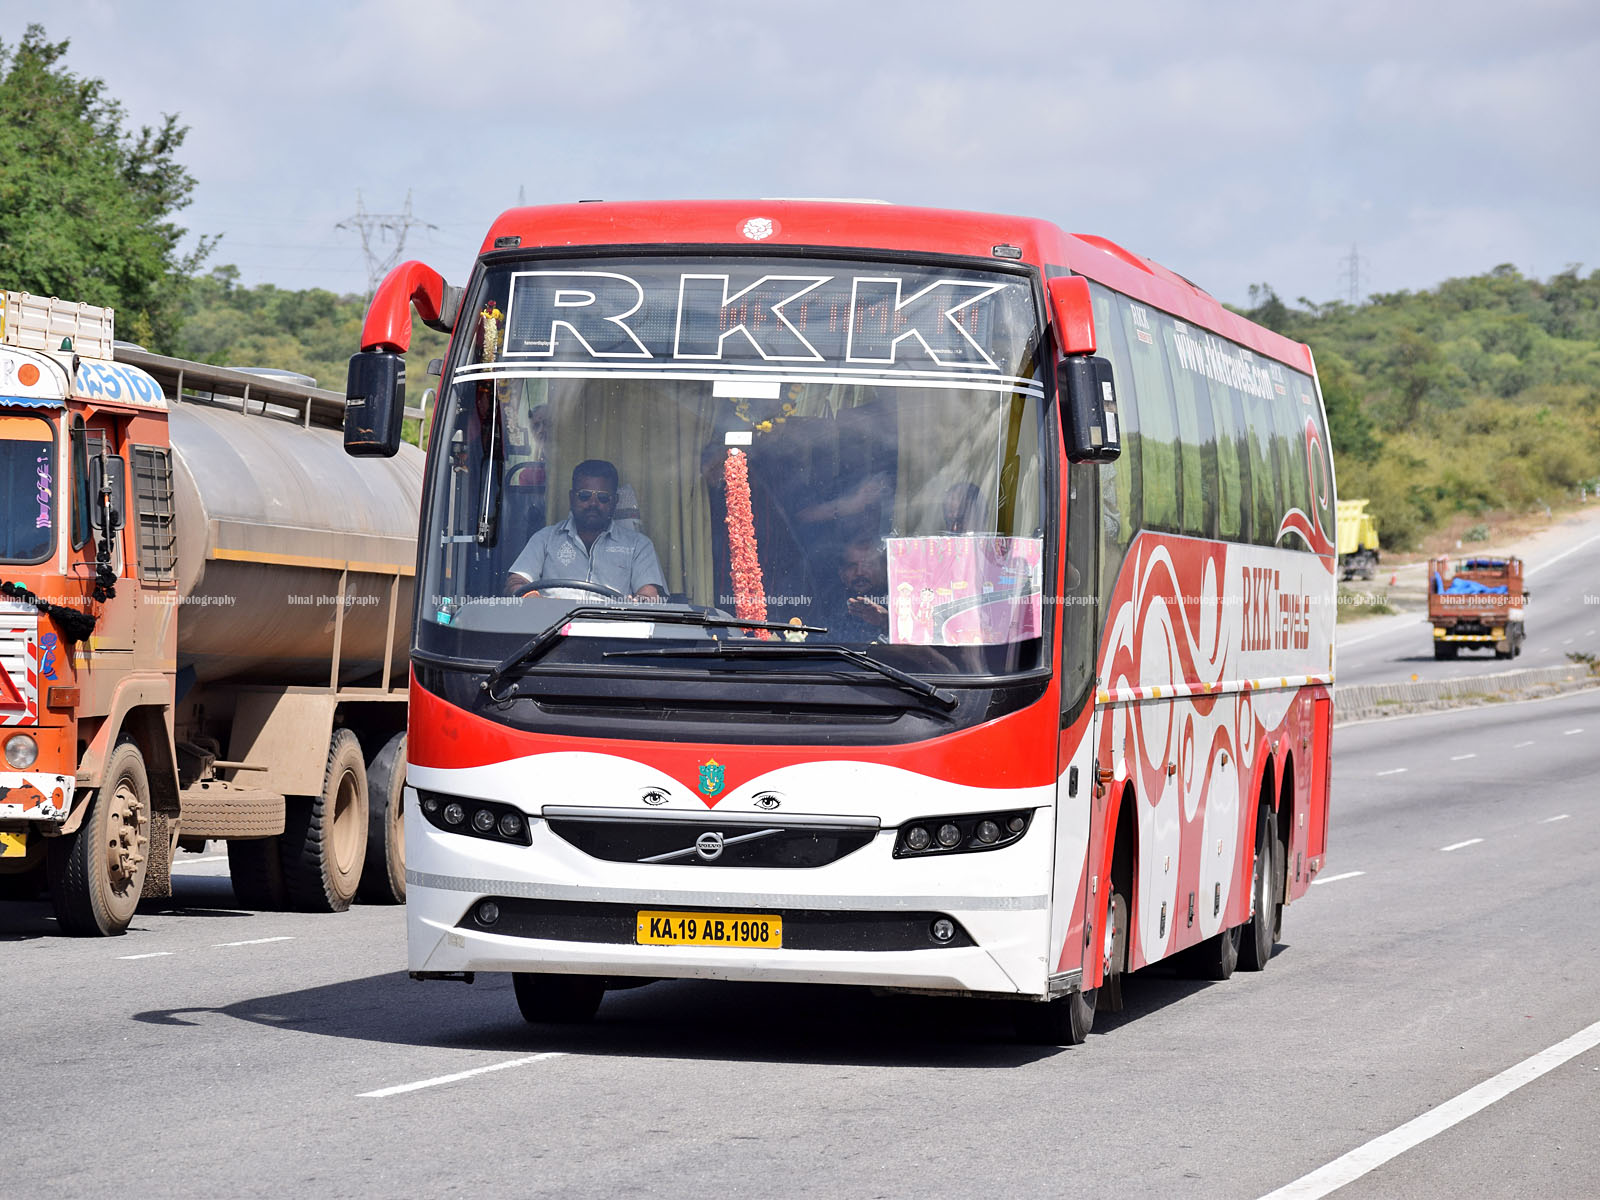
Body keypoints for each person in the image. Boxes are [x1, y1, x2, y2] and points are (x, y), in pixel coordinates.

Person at [504, 459, 666, 599]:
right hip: (553, 632)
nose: (593, 504)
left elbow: (649, 594)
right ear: (571, 497)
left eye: (602, 497)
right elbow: (516, 582)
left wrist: (639, 602)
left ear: (615, 501)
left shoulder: (638, 545)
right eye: (584, 496)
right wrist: (532, 598)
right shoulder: (545, 539)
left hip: (612, 631)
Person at [819, 535, 889, 641]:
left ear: (882, 569)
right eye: (852, 565)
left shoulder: (898, 600)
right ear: (841, 572)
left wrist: (885, 621)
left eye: (867, 565)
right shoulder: (827, 603)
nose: (859, 572)